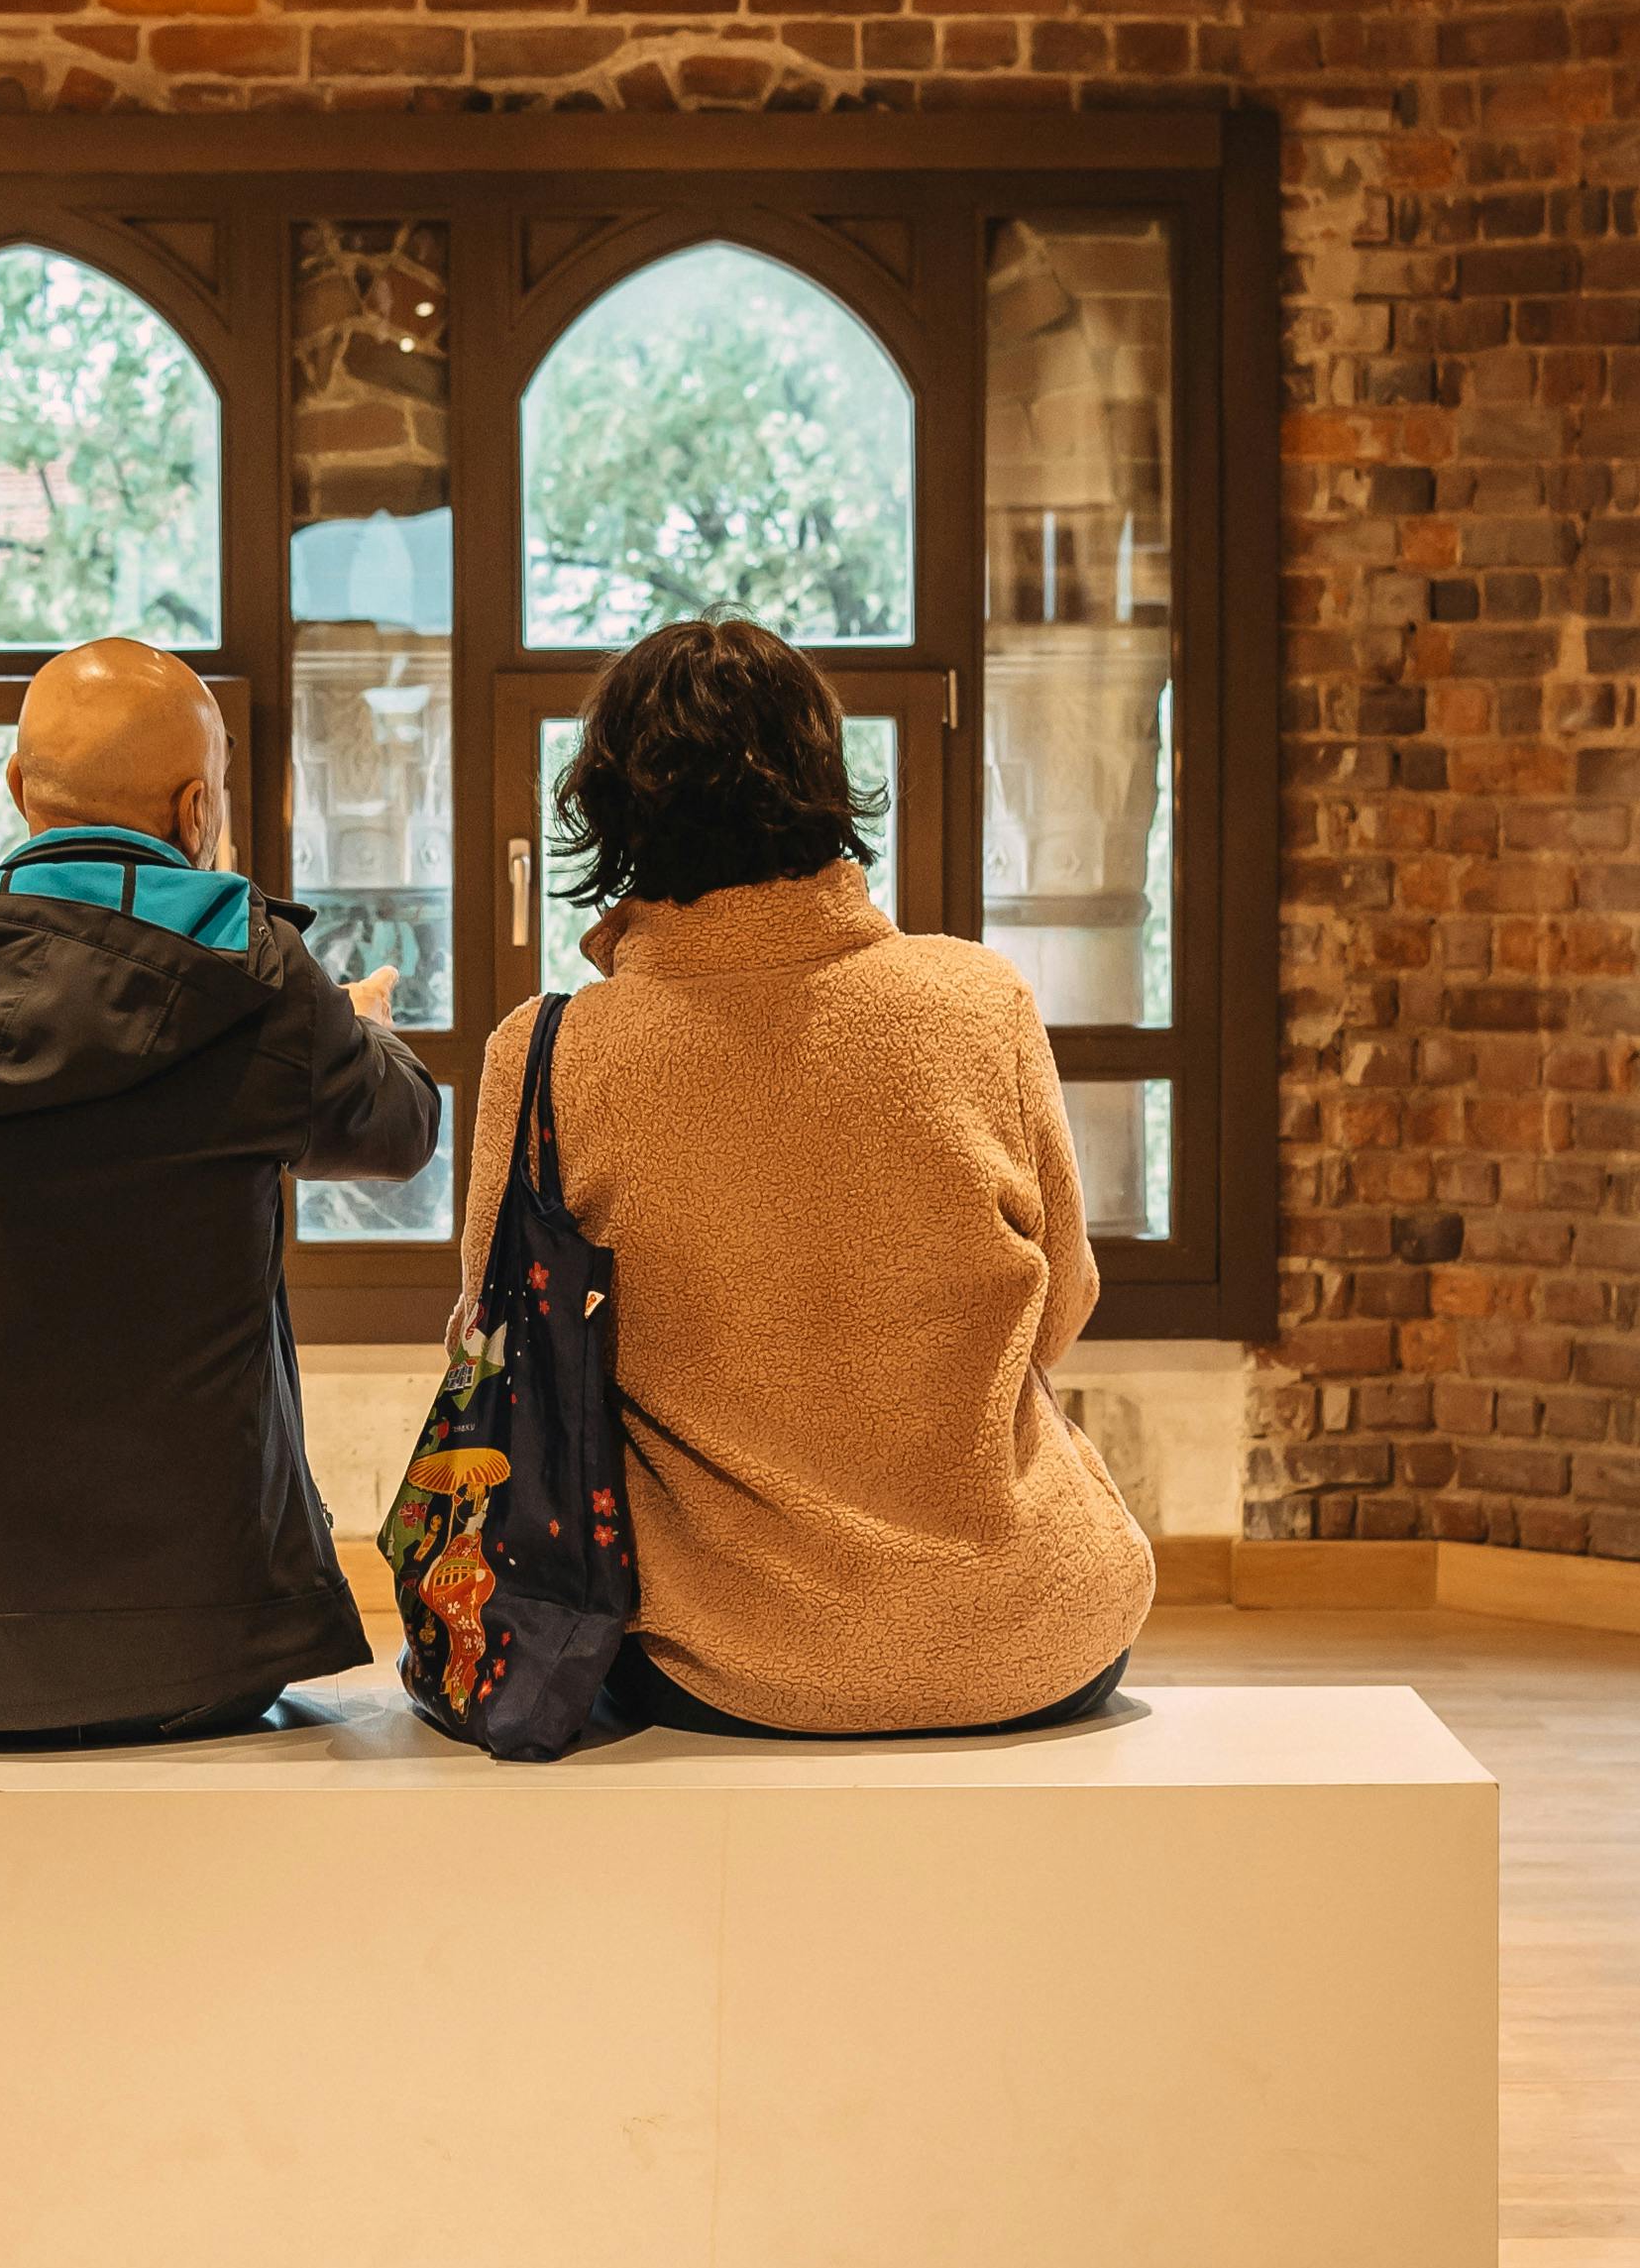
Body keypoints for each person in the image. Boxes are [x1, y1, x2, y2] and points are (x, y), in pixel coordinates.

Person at [456, 616, 1152, 1739]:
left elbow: (495, 1348)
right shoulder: (979, 1002)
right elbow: (1059, 1303)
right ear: (827, 783)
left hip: (718, 1657)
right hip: (1035, 1634)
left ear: (612, 809)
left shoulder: (548, 1054)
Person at [0, 636, 439, 1740]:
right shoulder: (262, 985)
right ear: (197, 803)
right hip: (204, 1643)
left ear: (18, 789)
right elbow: (400, 1134)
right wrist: (360, 1031)